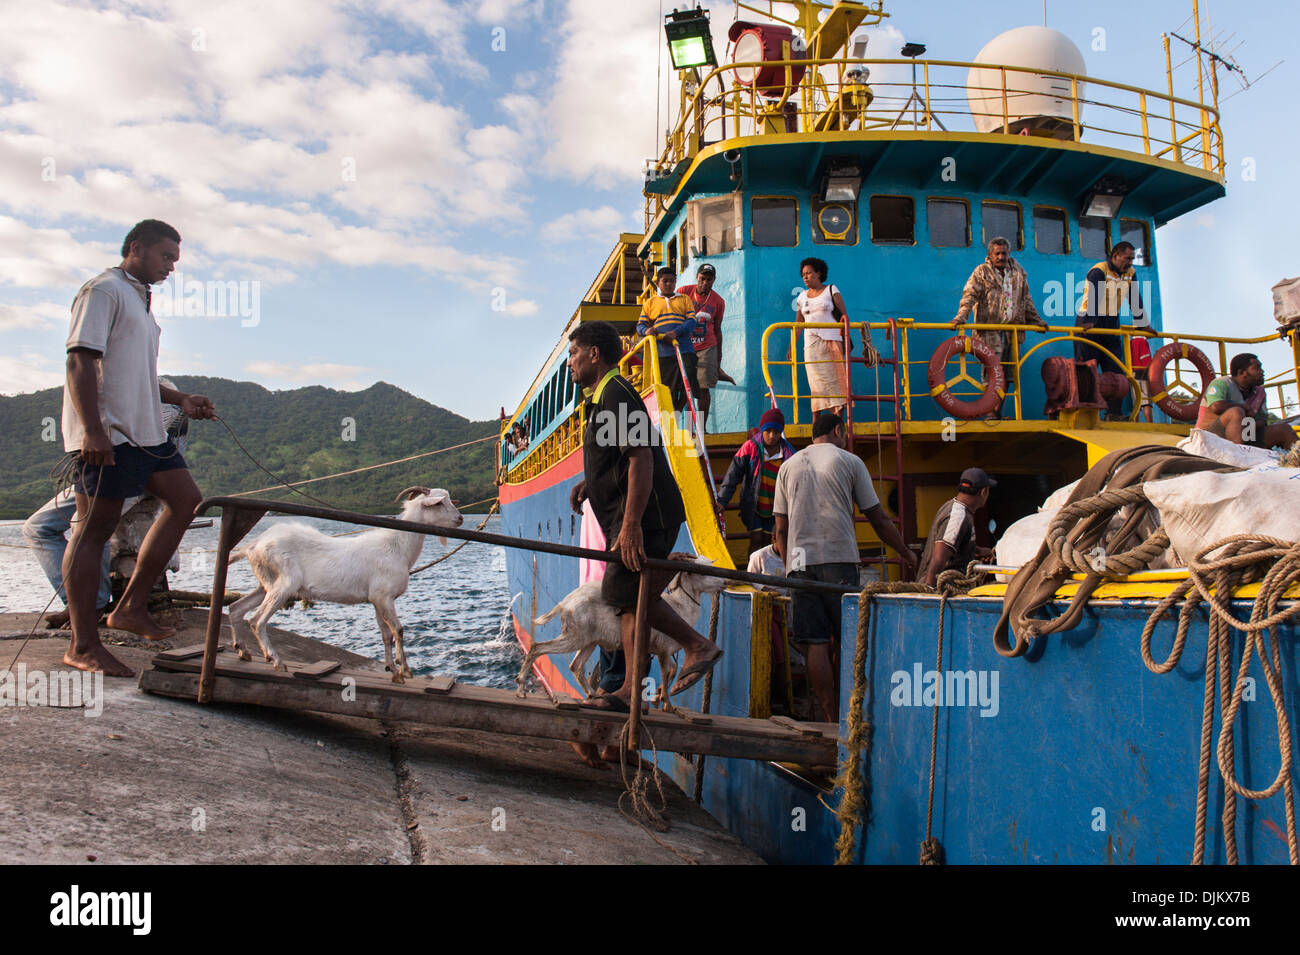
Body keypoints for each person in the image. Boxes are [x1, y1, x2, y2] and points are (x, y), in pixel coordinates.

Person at [60, 219, 215, 677]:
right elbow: (79, 359)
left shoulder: (140, 301)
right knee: (94, 529)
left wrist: (181, 399)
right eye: (166, 257)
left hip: (148, 433)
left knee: (186, 501)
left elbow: (138, 374)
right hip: (111, 434)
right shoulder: (103, 290)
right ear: (136, 248)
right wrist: (92, 430)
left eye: (175, 260)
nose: (171, 267)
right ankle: (82, 644)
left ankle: (129, 609)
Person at [565, 320, 722, 715]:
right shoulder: (602, 396)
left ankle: (696, 646)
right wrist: (592, 481)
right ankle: (632, 692)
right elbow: (620, 452)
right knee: (631, 601)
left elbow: (641, 457)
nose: (571, 362)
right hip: (631, 515)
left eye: (574, 353)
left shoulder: (616, 393)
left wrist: (632, 524)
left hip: (645, 517)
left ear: (594, 354)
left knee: (629, 596)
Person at [773, 413, 917, 722]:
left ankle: (829, 716)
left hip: (799, 562)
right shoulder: (850, 461)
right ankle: (851, 713)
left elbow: (780, 531)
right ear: (838, 431)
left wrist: (790, 568)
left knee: (815, 642)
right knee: (848, 637)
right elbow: (878, 518)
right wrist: (905, 552)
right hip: (838, 557)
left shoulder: (787, 466)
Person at [24, 385, 189, 628]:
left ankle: (92, 605)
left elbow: (154, 440)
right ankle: (77, 602)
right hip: (97, 467)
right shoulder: (107, 376)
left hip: (134, 473)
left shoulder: (160, 389)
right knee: (37, 527)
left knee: (88, 525)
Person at [951, 237, 1048, 416]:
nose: (1001, 257)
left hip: (1012, 331)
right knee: (993, 373)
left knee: (1009, 375)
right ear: (990, 255)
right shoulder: (982, 272)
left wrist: (1037, 321)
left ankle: (996, 412)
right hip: (989, 331)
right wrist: (960, 317)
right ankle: (989, 412)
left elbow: (1026, 299)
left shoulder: (1018, 273)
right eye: (998, 253)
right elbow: (969, 296)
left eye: (1004, 253)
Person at [1074, 241, 1147, 419]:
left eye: (1132, 259)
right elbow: (1094, 295)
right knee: (1087, 369)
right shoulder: (1099, 270)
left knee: (1116, 369)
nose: (1130, 262)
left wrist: (1142, 324)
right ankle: (1086, 411)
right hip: (1089, 321)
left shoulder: (1130, 273)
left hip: (1111, 323)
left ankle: (1114, 413)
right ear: (1115, 256)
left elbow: (1134, 298)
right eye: (1128, 258)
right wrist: (1090, 321)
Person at [795, 257, 871, 419]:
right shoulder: (802, 297)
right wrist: (791, 346)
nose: (805, 277)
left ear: (819, 273)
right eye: (803, 275)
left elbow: (844, 316)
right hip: (811, 345)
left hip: (832, 342)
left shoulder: (831, 289)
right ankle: (817, 422)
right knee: (815, 383)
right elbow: (798, 324)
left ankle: (838, 419)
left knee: (836, 381)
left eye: (809, 273)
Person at [715, 407, 796, 555]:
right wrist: (722, 500)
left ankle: (762, 575)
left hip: (775, 507)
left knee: (767, 541)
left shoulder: (789, 454)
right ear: (762, 430)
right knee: (756, 538)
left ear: (781, 433)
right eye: (768, 431)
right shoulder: (750, 447)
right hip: (754, 505)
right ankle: (751, 573)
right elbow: (734, 474)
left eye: (776, 432)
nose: (772, 436)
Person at [1197, 352, 1297, 450]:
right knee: (1236, 412)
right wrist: (1244, 408)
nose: (1262, 371)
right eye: (1257, 368)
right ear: (1242, 373)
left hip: (1245, 433)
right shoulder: (1222, 383)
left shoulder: (1260, 391)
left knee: (1284, 429)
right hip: (1210, 436)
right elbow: (1216, 407)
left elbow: (1262, 420)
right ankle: (1238, 457)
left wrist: (1245, 425)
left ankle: (1296, 461)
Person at [677, 263, 735, 431]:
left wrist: (718, 361)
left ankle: (701, 429)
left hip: (707, 347)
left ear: (714, 280)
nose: (705, 283)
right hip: (685, 346)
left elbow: (717, 330)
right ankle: (687, 429)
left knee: (703, 389)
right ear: (697, 277)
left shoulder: (718, 302)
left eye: (709, 279)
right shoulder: (683, 292)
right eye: (702, 278)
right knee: (685, 389)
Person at [919, 468, 996, 588]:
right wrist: (929, 591)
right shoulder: (958, 516)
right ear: (983, 492)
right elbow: (939, 556)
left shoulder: (954, 508)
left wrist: (976, 550)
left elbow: (953, 542)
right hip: (943, 589)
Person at [636, 267, 697, 413]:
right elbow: (640, 326)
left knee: (689, 387)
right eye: (665, 281)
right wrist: (647, 331)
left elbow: (692, 321)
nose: (669, 284)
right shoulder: (650, 303)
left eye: (672, 281)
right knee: (667, 389)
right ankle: (670, 422)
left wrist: (676, 332)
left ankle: (679, 414)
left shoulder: (684, 299)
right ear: (658, 283)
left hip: (685, 349)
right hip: (663, 353)